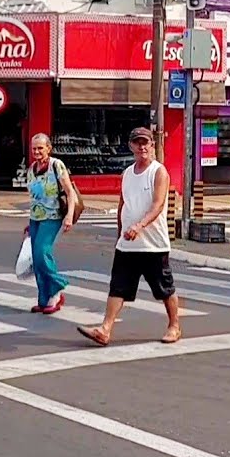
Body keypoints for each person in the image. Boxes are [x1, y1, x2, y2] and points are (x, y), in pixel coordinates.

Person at [77, 127, 182, 347]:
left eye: (146, 143)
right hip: (127, 245)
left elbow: (158, 205)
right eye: (138, 143)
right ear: (131, 146)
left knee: (164, 288)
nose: (142, 147)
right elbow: (122, 205)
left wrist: (139, 226)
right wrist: (120, 235)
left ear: (152, 145)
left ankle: (174, 326)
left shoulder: (158, 172)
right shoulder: (127, 174)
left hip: (153, 244)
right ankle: (105, 329)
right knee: (118, 287)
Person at [24, 133, 75, 314]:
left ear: (48, 148)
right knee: (37, 261)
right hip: (35, 218)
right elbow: (34, 198)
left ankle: (57, 288)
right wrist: (30, 222)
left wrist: (69, 216)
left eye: (40, 148)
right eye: (34, 148)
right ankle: (44, 299)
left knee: (42, 253)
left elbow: (70, 192)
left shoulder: (56, 165)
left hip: (53, 216)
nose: (37, 152)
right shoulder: (31, 169)